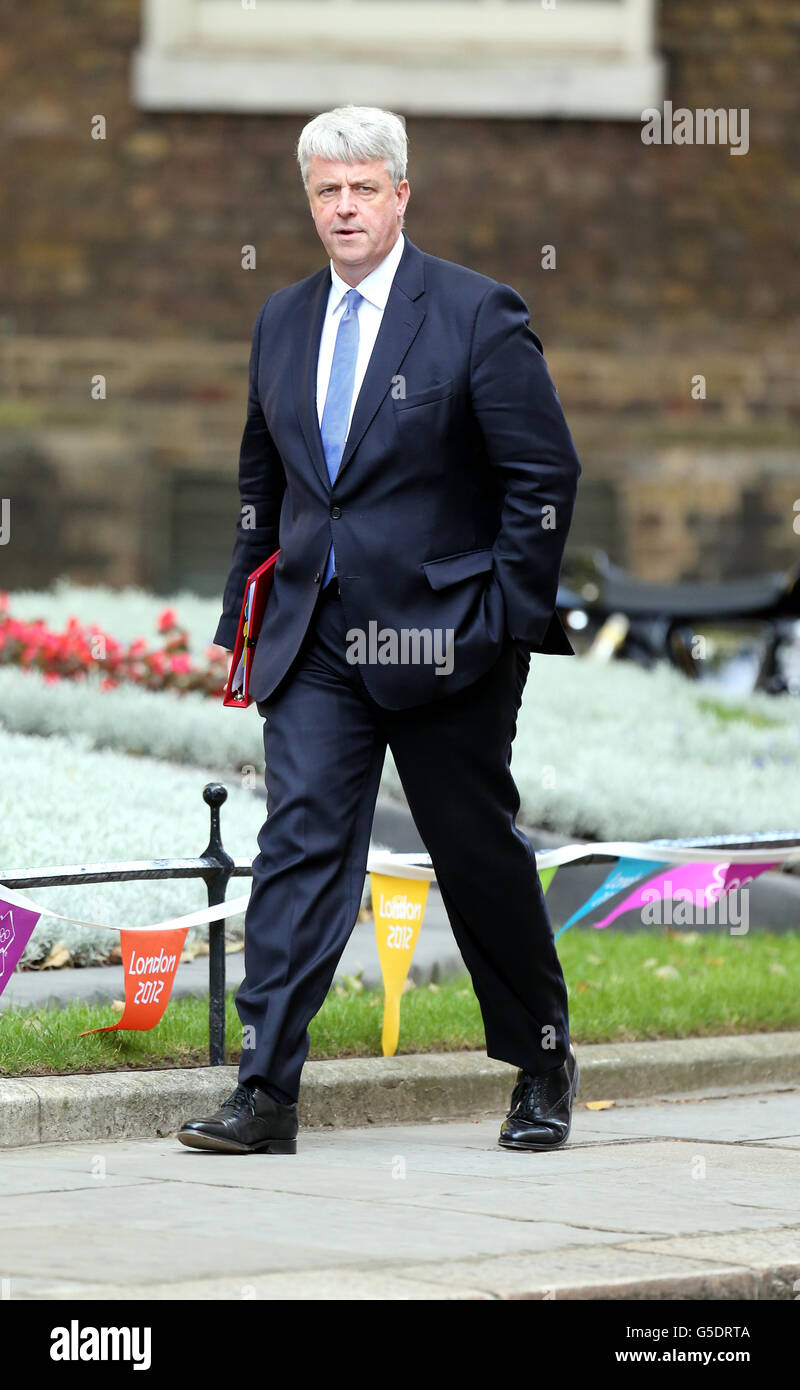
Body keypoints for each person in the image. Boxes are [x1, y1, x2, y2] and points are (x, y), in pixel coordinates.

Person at [178, 104, 581, 1156]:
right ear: (308, 200)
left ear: (401, 194)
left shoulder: (474, 313)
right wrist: (241, 617)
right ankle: (265, 1091)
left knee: (471, 851)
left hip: (447, 639)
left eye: (363, 187)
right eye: (325, 190)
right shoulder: (280, 319)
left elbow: (543, 476)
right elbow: (261, 485)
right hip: (313, 637)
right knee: (300, 846)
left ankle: (540, 1063)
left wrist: (501, 620)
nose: (343, 206)